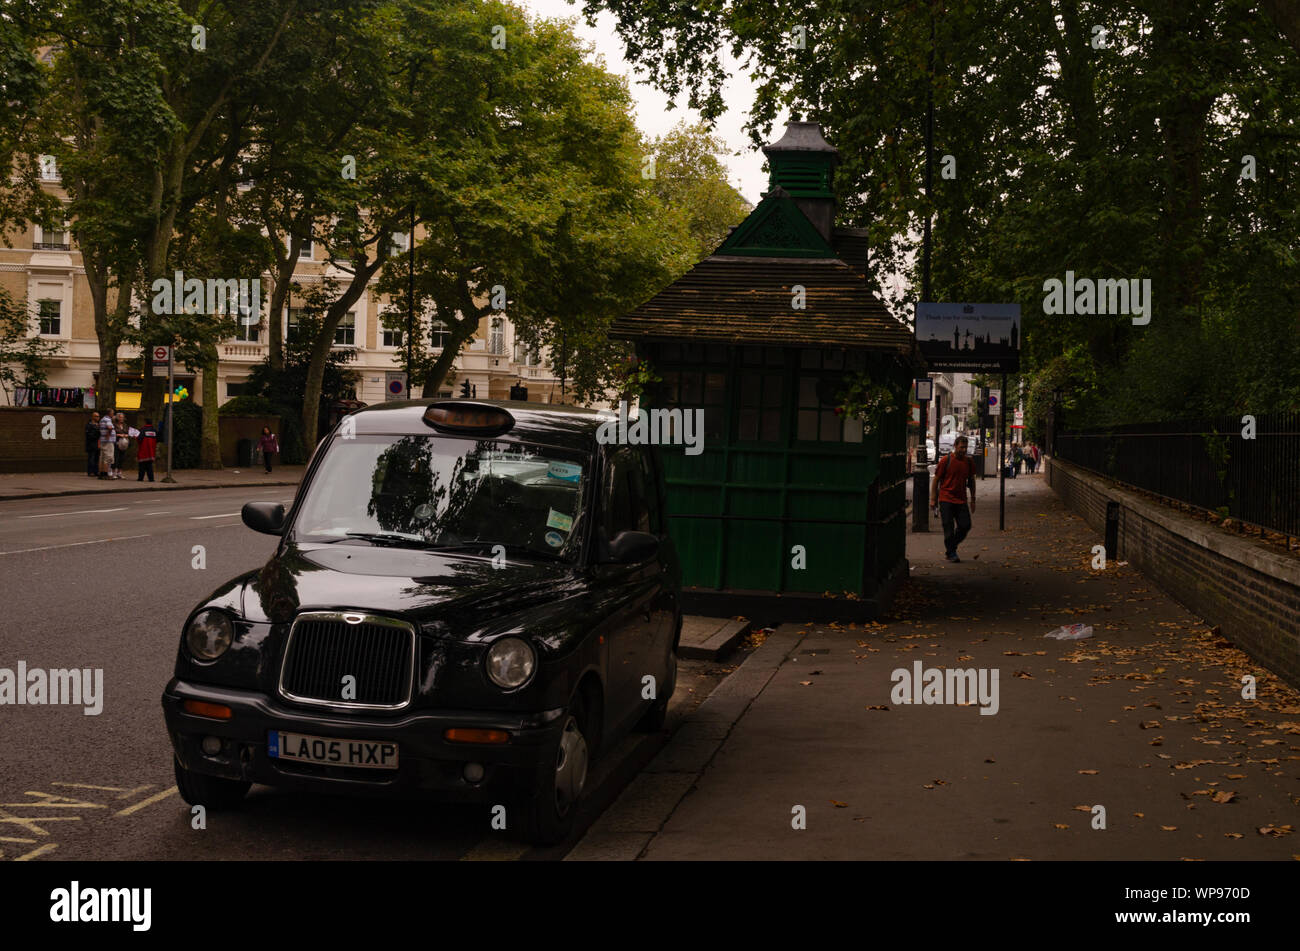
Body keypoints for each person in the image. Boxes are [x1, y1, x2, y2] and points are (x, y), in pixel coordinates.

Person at [929, 434, 977, 562]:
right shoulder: (946, 460)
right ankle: (951, 553)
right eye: (961, 447)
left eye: (965, 447)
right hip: (946, 499)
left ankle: (951, 547)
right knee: (948, 528)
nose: (963, 450)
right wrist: (933, 499)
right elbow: (936, 480)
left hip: (961, 500)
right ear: (955, 446)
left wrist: (973, 499)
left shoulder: (968, 462)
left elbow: (971, 481)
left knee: (965, 525)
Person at [136, 417, 158, 482]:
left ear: (145, 422)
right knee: (149, 466)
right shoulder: (154, 430)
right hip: (151, 451)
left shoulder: (142, 430)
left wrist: (135, 436)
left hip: (143, 451)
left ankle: (140, 478)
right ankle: (151, 479)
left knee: (142, 466)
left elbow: (139, 439)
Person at [97, 410, 116, 480]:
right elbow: (110, 428)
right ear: (110, 413)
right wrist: (108, 435)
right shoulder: (108, 419)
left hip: (103, 440)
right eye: (113, 413)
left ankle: (101, 474)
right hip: (108, 441)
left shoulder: (102, 419)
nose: (113, 414)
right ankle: (105, 474)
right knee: (108, 458)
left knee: (102, 457)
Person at [112, 411, 129, 479]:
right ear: (117, 418)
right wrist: (119, 435)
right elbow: (112, 433)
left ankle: (119, 472)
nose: (121, 418)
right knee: (116, 457)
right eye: (120, 417)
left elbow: (128, 432)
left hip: (124, 443)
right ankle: (114, 472)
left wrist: (126, 435)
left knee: (122, 458)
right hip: (116, 442)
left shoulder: (125, 425)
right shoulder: (114, 424)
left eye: (122, 417)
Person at [84, 412, 101, 477]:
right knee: (91, 458)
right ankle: (90, 471)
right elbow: (89, 435)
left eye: (98, 416)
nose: (98, 418)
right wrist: (97, 434)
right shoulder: (89, 425)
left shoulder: (99, 425)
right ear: (92, 417)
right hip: (91, 444)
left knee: (97, 458)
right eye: (96, 416)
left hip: (98, 444)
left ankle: (96, 471)